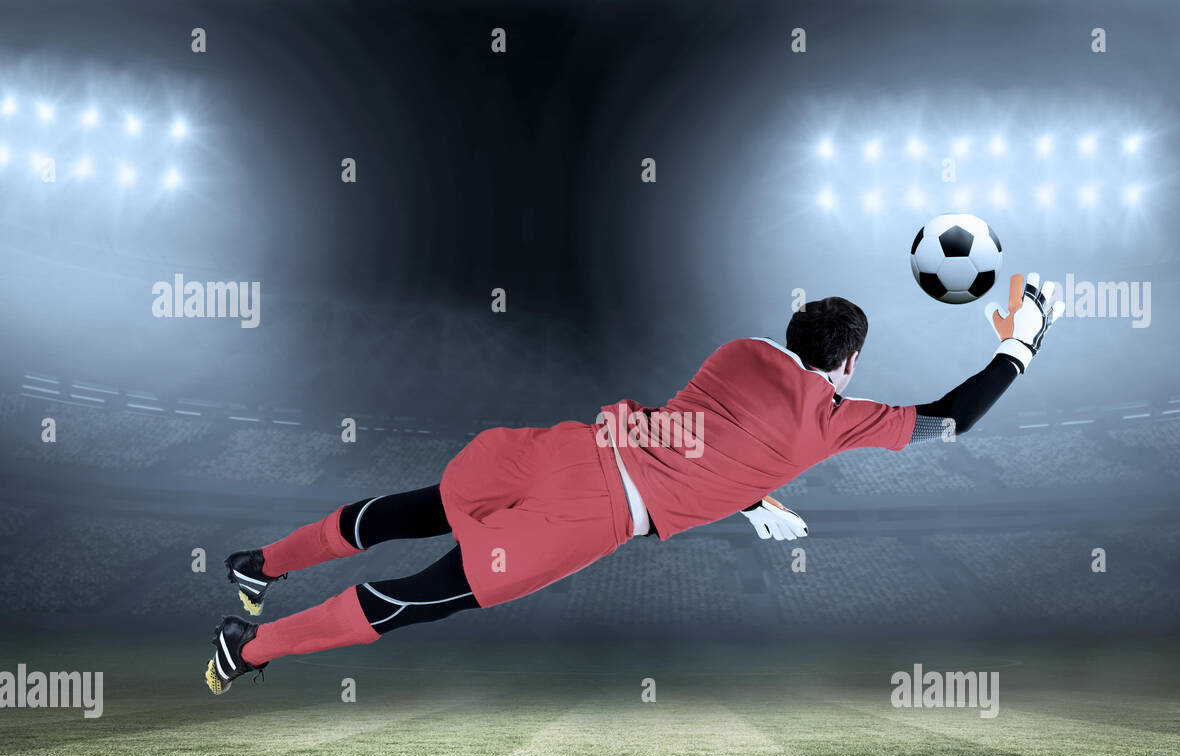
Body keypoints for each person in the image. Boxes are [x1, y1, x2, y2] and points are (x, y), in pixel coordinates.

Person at [206, 273, 1065, 694]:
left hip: (576, 445)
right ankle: (246, 651)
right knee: (425, 598)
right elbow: (955, 418)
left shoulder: (738, 352)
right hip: (595, 511)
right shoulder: (830, 419)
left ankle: (261, 563)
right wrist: (1021, 340)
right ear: (847, 362)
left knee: (423, 506)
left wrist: (751, 494)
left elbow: (721, 442)